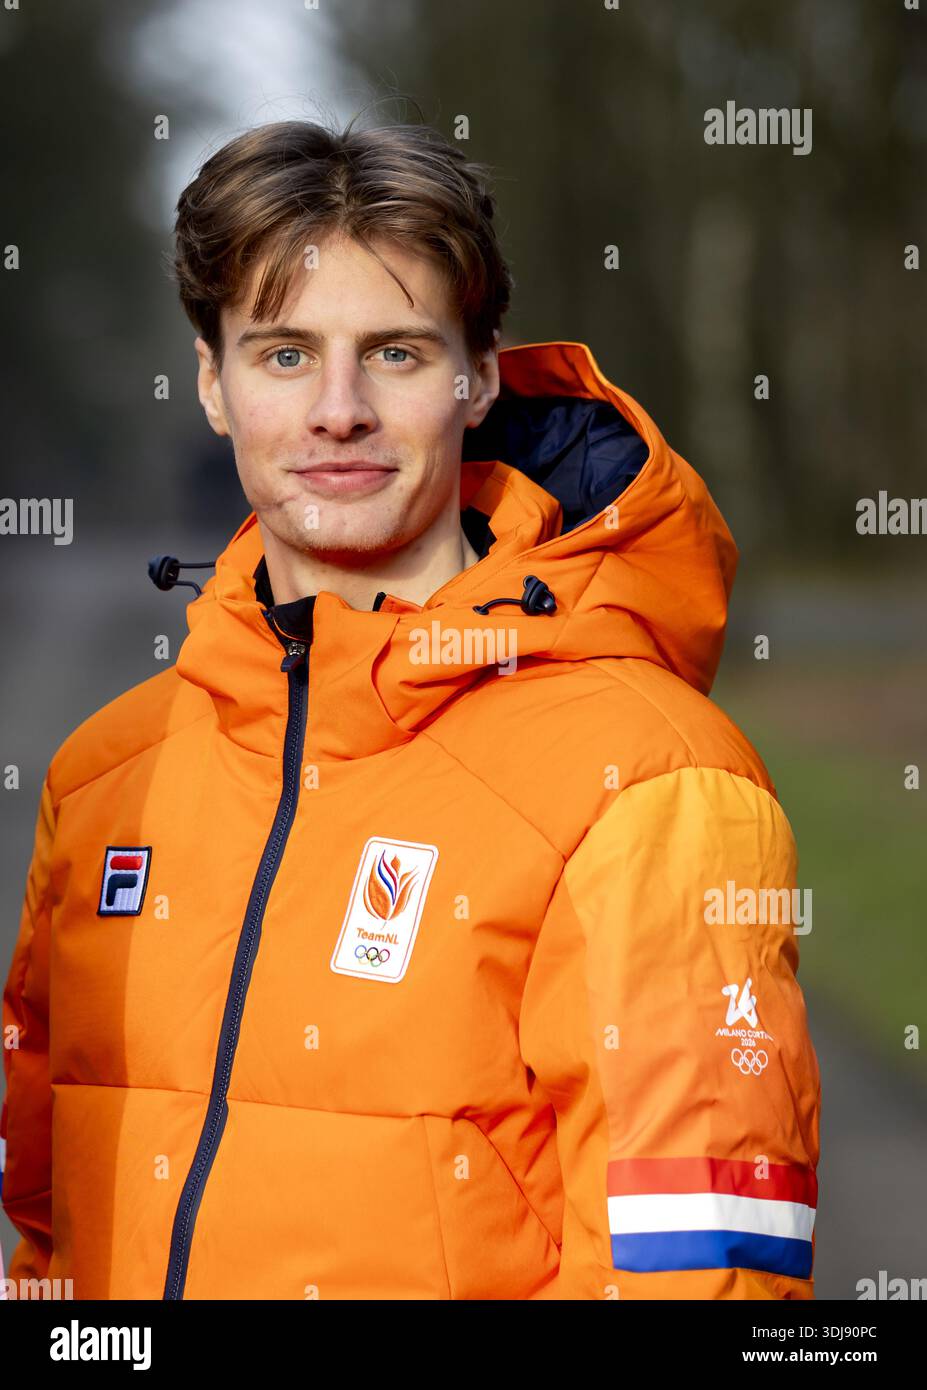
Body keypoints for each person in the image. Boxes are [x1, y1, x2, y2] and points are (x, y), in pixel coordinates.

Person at [1, 117, 820, 1300]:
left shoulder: (653, 782)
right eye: (283, 354)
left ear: (478, 377)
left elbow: (700, 1287)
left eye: (393, 352)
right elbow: (50, 1242)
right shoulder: (101, 778)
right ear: (212, 385)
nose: (338, 410)